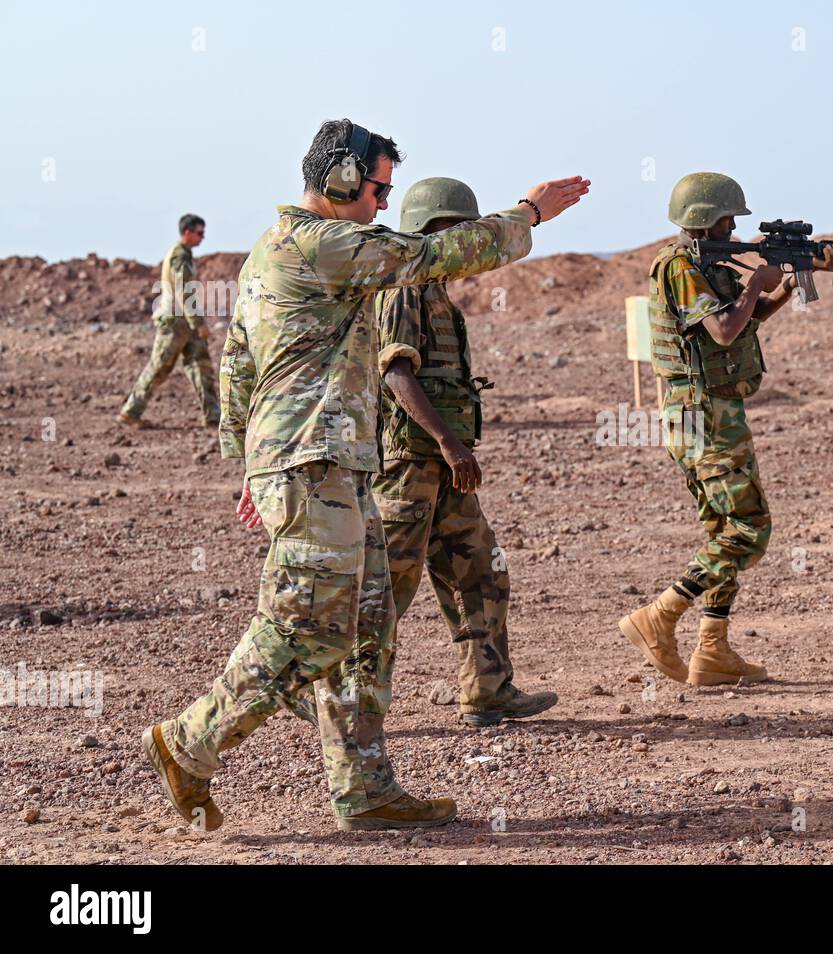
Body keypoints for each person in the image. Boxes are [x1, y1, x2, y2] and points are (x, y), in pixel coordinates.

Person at [141, 118, 588, 832]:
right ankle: (189, 741)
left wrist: (251, 460)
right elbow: (436, 252)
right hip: (314, 464)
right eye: (378, 187)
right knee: (308, 631)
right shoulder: (325, 245)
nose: (383, 202)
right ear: (344, 178)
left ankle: (366, 787)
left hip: (334, 464)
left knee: (369, 624)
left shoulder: (270, 252)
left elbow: (239, 363)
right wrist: (529, 214)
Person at [618, 172, 833, 686]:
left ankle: (713, 649)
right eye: (726, 220)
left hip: (710, 412)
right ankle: (660, 615)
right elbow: (723, 330)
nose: (732, 228)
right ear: (702, 221)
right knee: (749, 529)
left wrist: (790, 282)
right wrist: (757, 282)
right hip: (702, 416)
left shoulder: (704, 263)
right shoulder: (679, 267)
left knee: (723, 530)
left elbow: (748, 319)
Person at [373, 178, 558, 727]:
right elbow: (396, 373)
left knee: (481, 571)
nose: (466, 244)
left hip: (440, 466)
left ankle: (488, 690)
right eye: (458, 230)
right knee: (385, 591)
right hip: (409, 464)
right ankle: (349, 707)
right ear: (433, 230)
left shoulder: (433, 288)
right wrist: (451, 444)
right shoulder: (403, 285)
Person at [118, 213, 219, 427]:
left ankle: (213, 417)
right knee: (159, 367)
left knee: (201, 367)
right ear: (187, 232)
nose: (203, 237)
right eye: (200, 233)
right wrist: (198, 323)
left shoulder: (186, 255)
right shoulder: (179, 257)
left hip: (184, 322)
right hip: (175, 322)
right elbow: (184, 292)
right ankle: (131, 412)